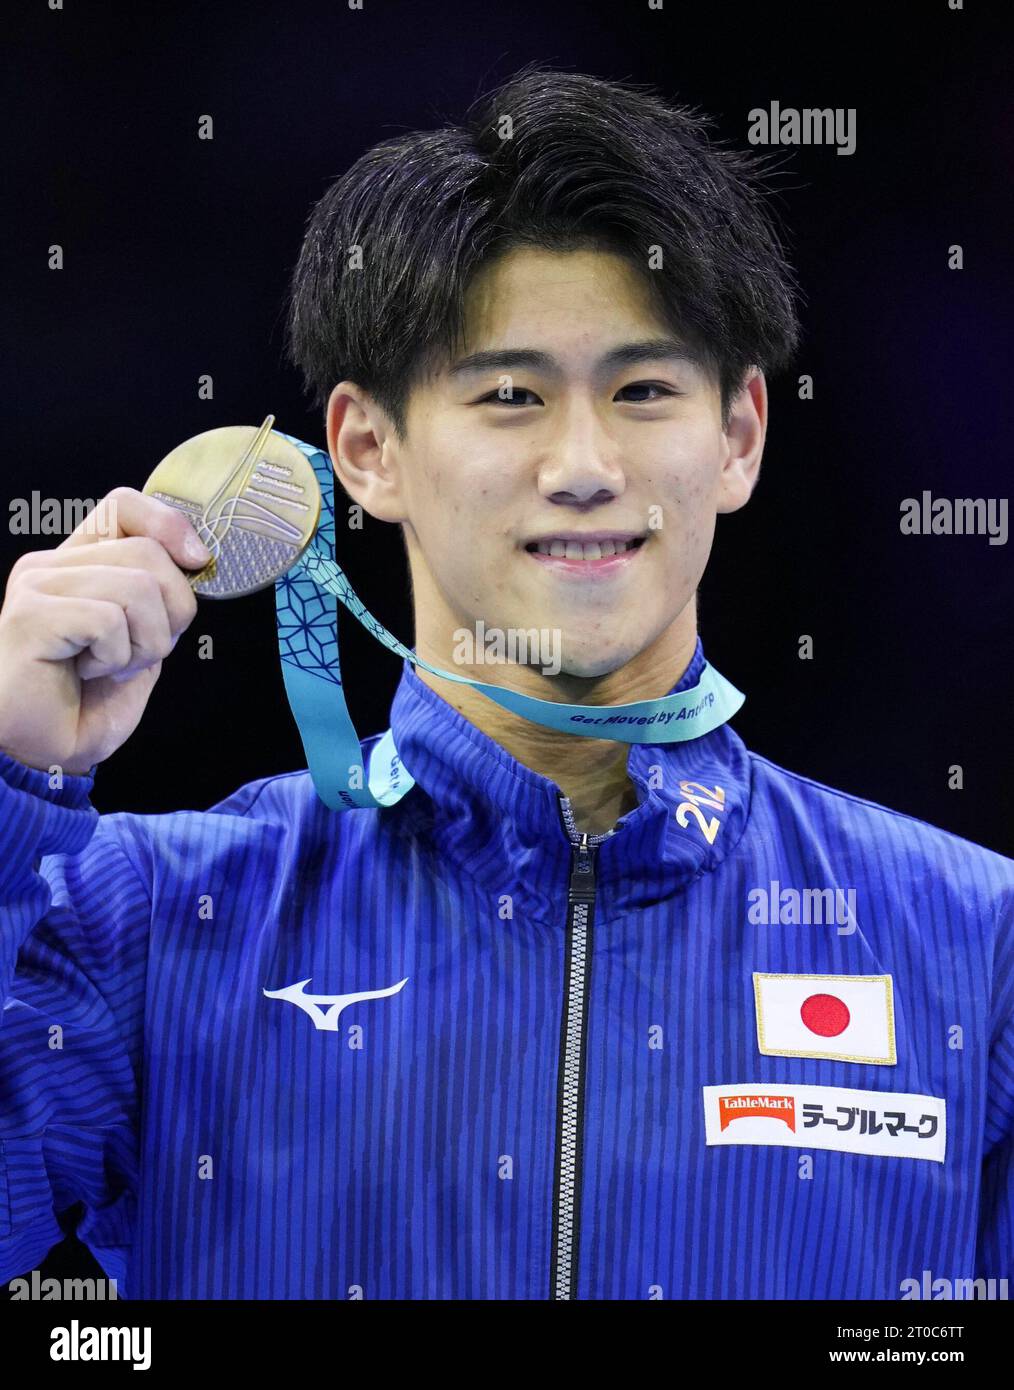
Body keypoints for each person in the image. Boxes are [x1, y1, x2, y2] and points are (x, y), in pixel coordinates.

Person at [0, 65, 1010, 1301]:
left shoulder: (977, 941)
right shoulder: (157, 920)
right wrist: (12, 792)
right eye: (510, 395)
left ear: (741, 434)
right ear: (368, 451)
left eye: (643, 390)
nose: (584, 465)